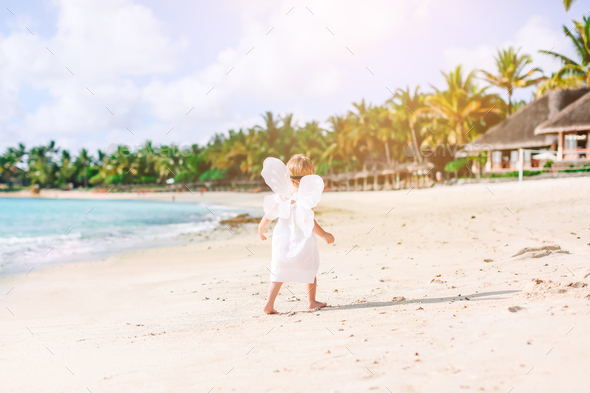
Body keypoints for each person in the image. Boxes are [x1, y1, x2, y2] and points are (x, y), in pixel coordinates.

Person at [258, 155, 335, 314]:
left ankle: (269, 304)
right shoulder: (307, 198)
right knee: (310, 269)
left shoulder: (281, 196)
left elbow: (269, 215)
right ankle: (311, 301)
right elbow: (309, 221)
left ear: (288, 175)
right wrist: (324, 234)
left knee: (278, 272)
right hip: (303, 241)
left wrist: (261, 228)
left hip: (282, 242)